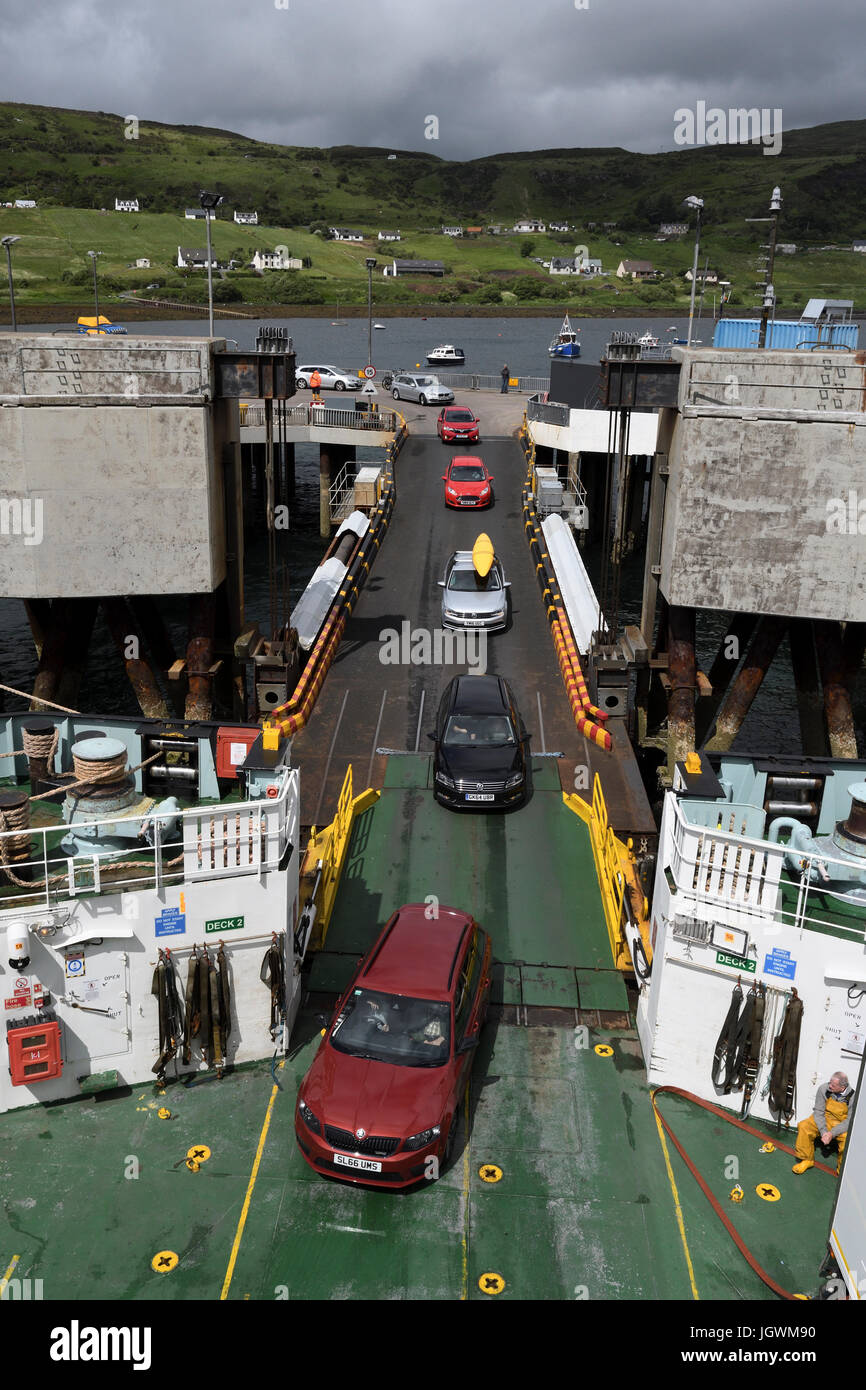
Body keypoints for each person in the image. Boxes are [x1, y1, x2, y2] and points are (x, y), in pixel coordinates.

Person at [792, 1071, 854, 1174]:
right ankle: (807, 1160)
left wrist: (831, 1133)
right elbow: (818, 1111)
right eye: (830, 1082)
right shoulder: (824, 1089)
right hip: (823, 1118)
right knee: (804, 1126)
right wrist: (823, 1131)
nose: (829, 1086)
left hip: (841, 1124)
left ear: (842, 1088)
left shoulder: (853, 1098)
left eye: (833, 1085)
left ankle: (842, 1170)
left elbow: (849, 1122)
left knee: (848, 1141)